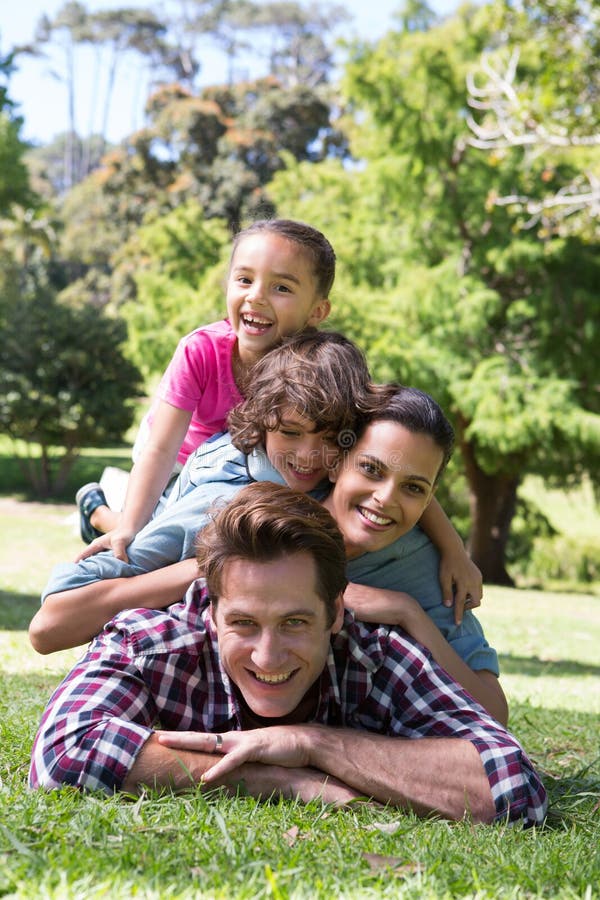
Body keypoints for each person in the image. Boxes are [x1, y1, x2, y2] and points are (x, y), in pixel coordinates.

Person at [30, 343, 505, 722]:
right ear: (344, 464)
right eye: (370, 469)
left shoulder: (416, 562)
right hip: (194, 485)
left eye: (414, 489)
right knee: (135, 527)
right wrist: (207, 568)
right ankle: (102, 511)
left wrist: (409, 613)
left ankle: (105, 510)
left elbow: (494, 715)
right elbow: (48, 629)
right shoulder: (230, 509)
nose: (385, 499)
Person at [29, 483, 547, 826]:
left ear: (337, 614)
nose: (268, 655)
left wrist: (311, 743)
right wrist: (279, 778)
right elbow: (63, 752)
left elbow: (513, 786)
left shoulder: (377, 657)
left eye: (296, 622)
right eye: (244, 623)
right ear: (211, 612)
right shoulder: (150, 642)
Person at [75, 218, 335, 561]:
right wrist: (128, 527)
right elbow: (160, 448)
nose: (255, 296)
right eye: (244, 279)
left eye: (282, 288)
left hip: (238, 467)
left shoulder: (320, 368)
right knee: (152, 536)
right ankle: (99, 513)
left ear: (317, 310)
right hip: (176, 457)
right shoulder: (201, 350)